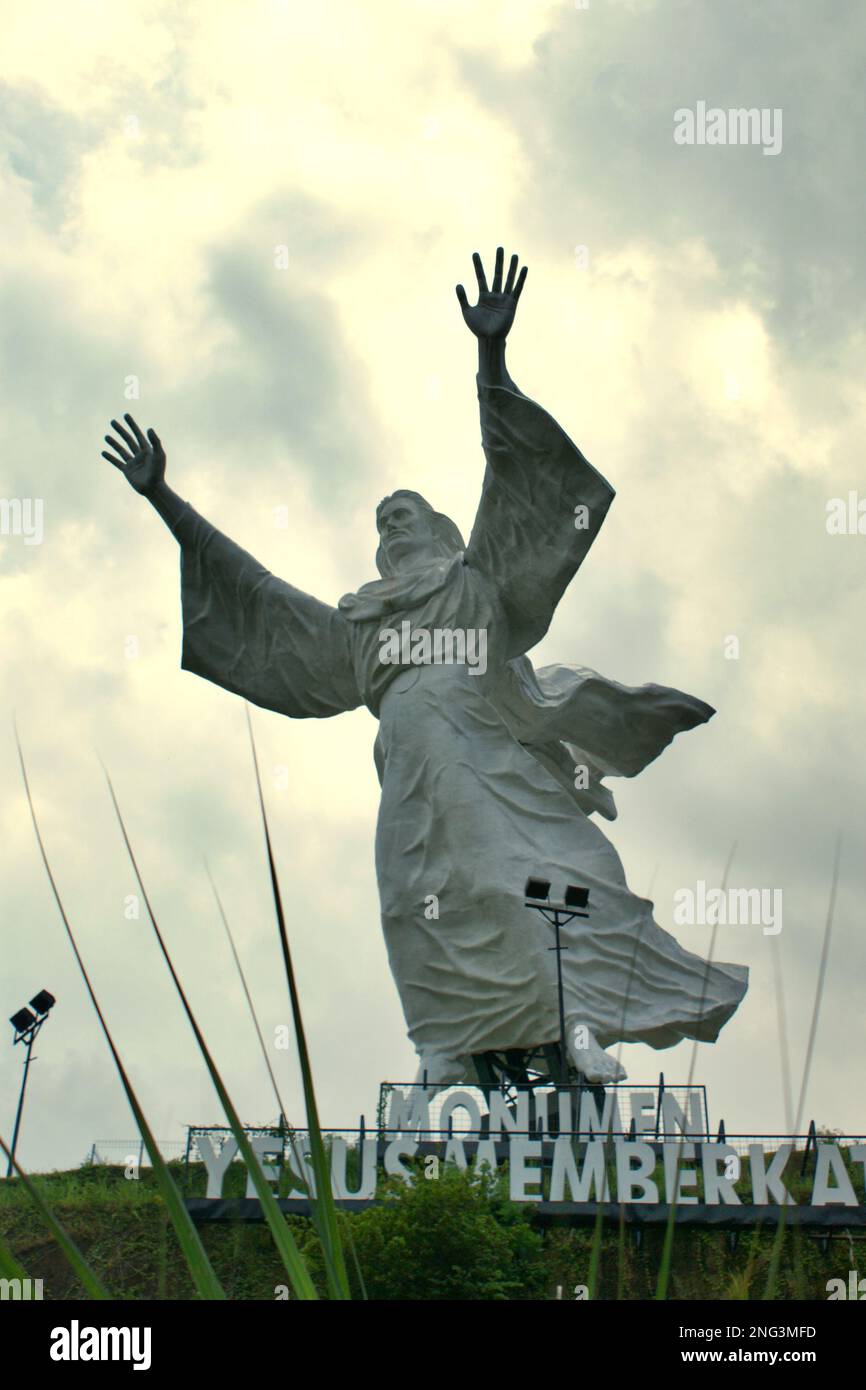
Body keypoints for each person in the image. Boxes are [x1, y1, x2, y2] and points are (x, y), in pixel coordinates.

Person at [102, 247, 747, 1087]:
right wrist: (164, 498)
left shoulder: (479, 584)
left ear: (441, 532)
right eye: (381, 522)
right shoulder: (356, 627)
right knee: (413, 900)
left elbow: (512, 477)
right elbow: (254, 591)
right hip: (406, 779)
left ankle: (575, 1023)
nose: (391, 525)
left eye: (405, 514)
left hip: (487, 764)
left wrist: (491, 355)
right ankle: (446, 1054)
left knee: (519, 885)